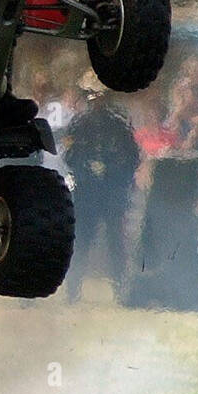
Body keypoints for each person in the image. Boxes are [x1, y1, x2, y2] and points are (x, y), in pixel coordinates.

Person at [63, 72, 140, 302]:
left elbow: (133, 158)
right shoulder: (79, 124)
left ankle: (121, 291)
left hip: (111, 192)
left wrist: (112, 171)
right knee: (81, 241)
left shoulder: (119, 124)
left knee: (116, 242)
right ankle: (72, 291)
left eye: (99, 95)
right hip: (86, 192)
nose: (94, 100)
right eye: (91, 95)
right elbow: (70, 155)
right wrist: (86, 169)